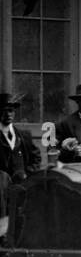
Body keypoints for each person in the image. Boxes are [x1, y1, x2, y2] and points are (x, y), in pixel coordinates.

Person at [0, 92, 40, 227]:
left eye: (11, 111)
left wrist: (28, 173)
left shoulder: (23, 135)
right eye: (4, 111)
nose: (8, 114)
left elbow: (36, 158)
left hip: (22, 187)